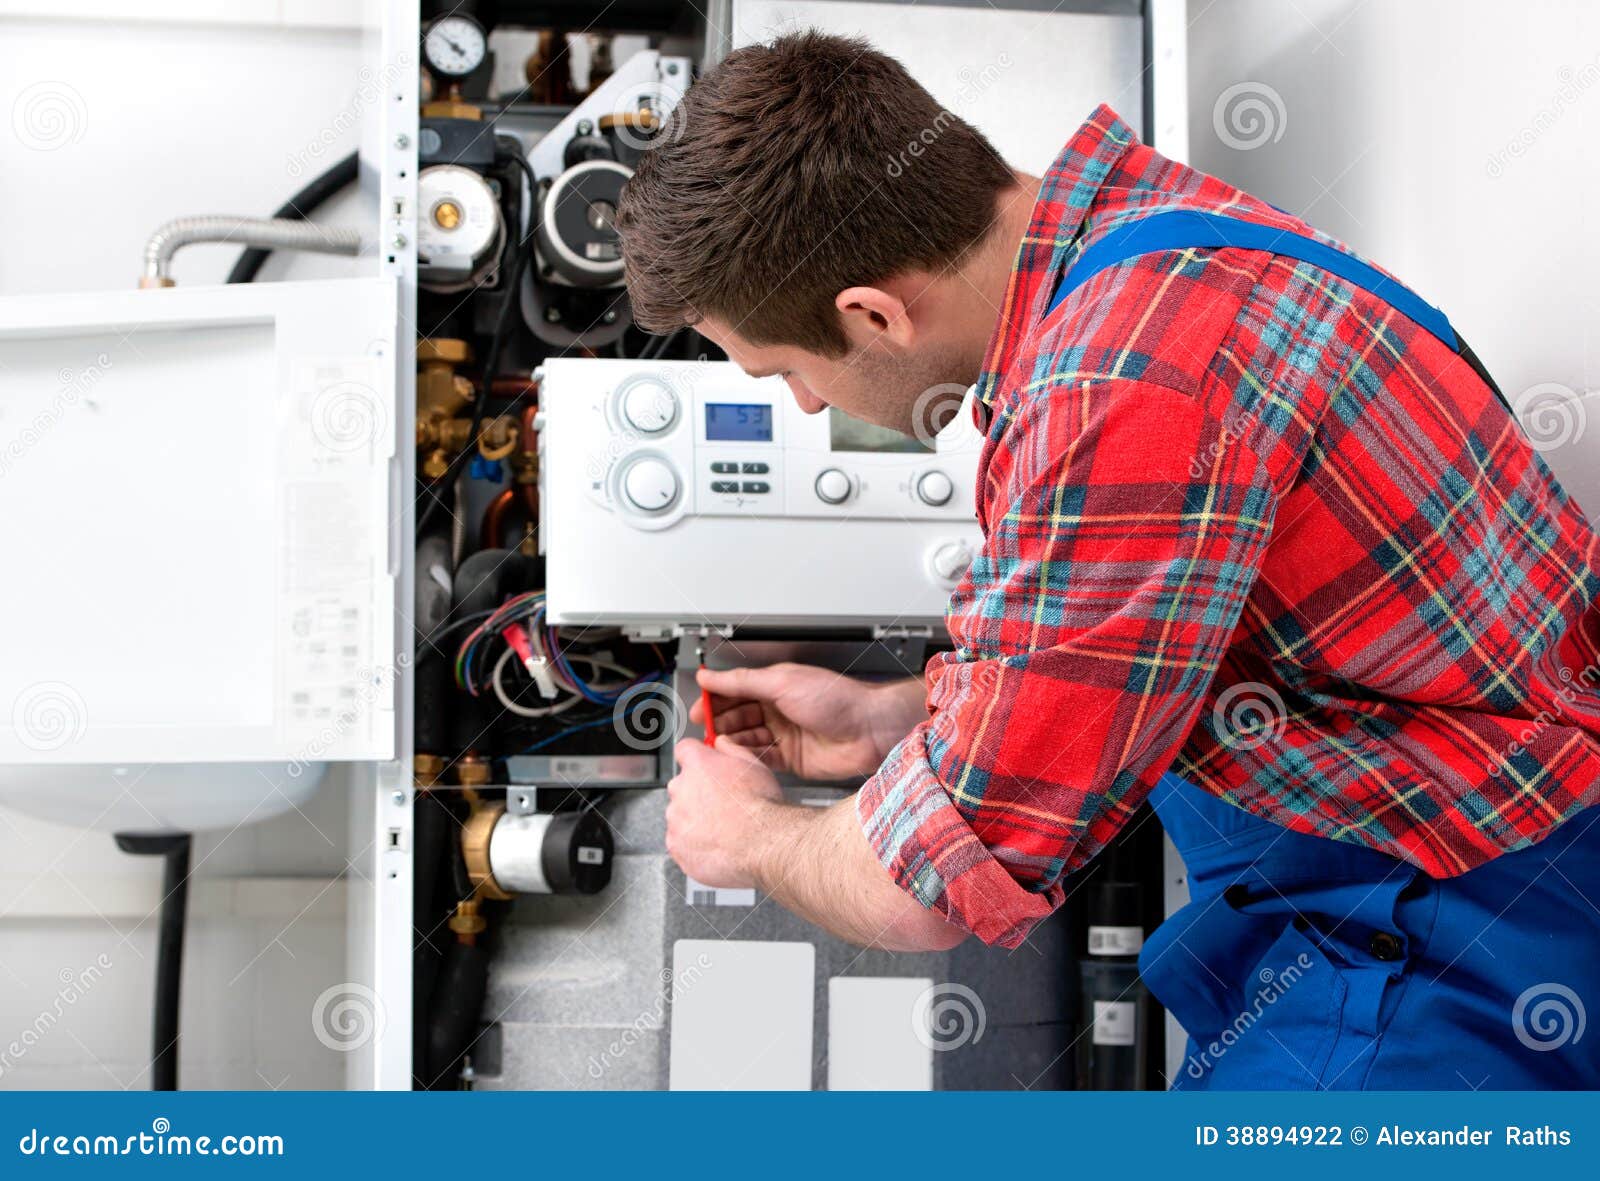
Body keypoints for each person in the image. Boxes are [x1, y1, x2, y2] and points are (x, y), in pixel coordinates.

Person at [615, 31, 1600, 1089]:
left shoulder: (1121, 391)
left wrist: (748, 835)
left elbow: (925, 893)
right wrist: (892, 719)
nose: (806, 405)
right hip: (1417, 864)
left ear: (872, 314)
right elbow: (1138, 652)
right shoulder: (1148, 232)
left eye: (783, 371)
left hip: (1453, 924)